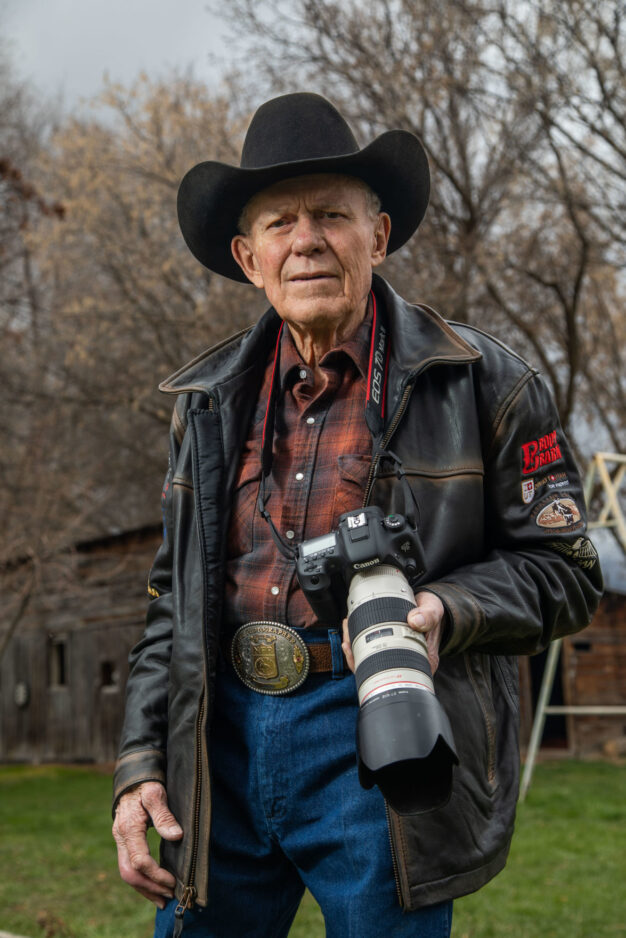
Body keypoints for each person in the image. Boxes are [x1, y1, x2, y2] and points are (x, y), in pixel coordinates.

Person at [112, 93, 602, 938]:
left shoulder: (487, 381)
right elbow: (170, 605)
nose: (306, 240)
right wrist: (138, 763)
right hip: (217, 747)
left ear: (377, 237)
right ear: (247, 255)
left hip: (383, 727)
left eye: (332, 215)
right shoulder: (204, 402)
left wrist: (445, 609)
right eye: (280, 223)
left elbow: (567, 572)